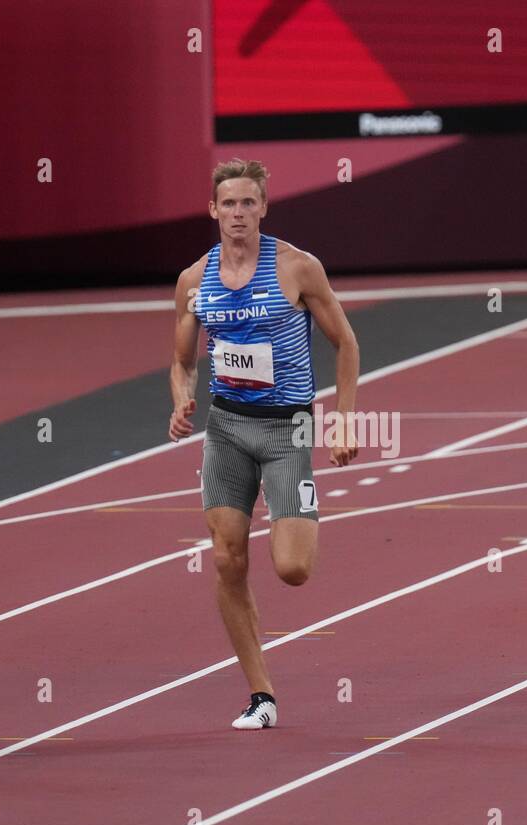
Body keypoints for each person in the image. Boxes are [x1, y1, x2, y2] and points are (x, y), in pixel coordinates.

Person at [169, 159, 359, 729]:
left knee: (293, 569)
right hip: (226, 428)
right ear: (213, 210)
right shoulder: (193, 280)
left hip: (288, 426)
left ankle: (298, 511)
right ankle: (261, 695)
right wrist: (182, 399)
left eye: (249, 203)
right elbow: (181, 361)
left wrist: (344, 419)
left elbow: (345, 344)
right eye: (229, 204)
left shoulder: (297, 268)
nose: (238, 214)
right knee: (228, 559)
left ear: (263, 208)